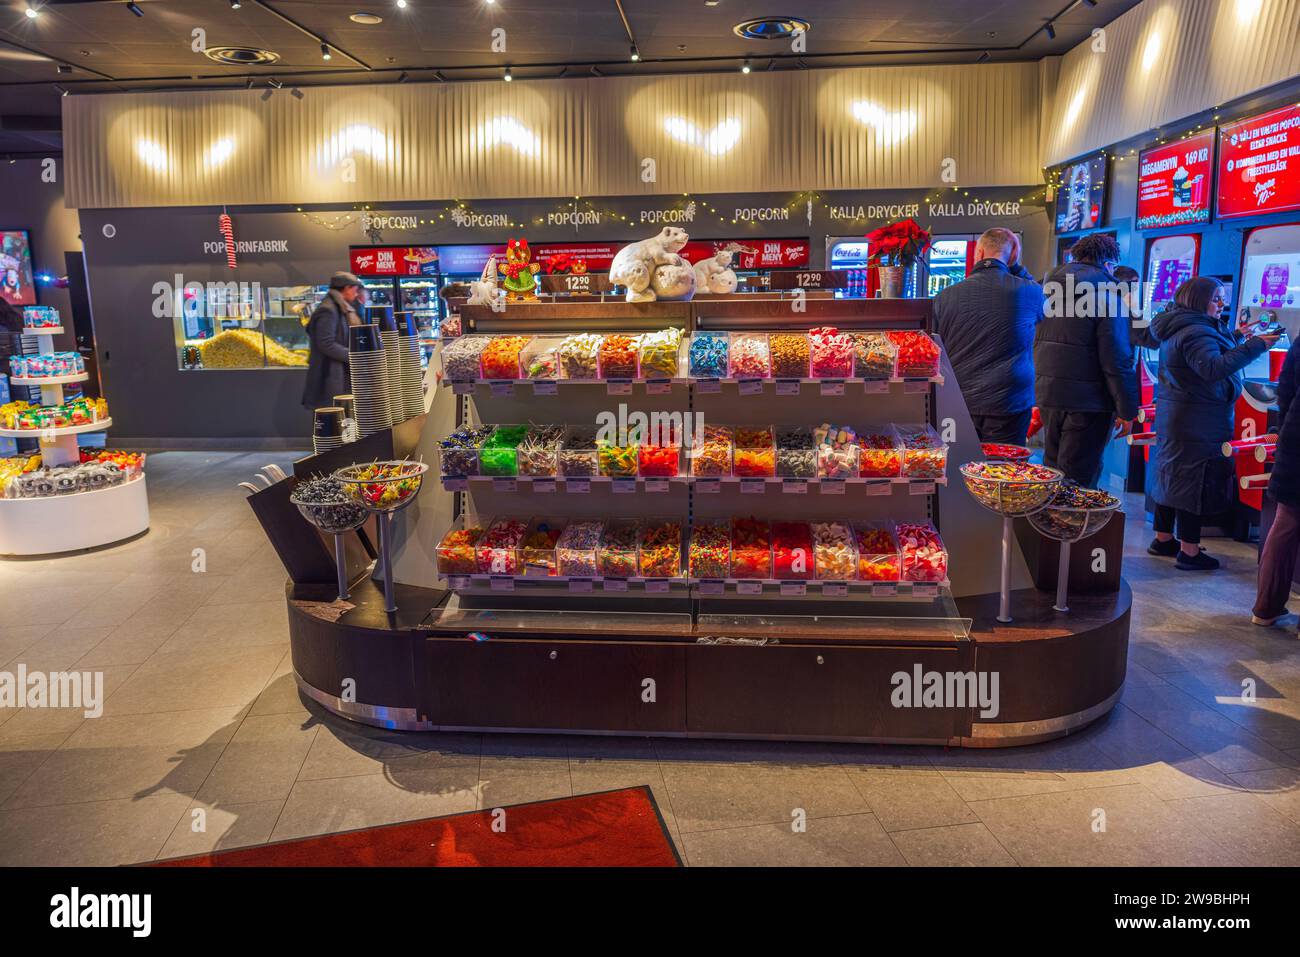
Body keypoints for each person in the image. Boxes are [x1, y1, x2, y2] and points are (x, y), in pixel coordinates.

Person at [1147, 277, 1280, 570]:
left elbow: (1204, 355)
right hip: (1199, 419)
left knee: (1172, 477)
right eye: (1216, 299)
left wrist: (1236, 337)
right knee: (1194, 483)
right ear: (1198, 300)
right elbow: (1212, 368)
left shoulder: (1180, 325)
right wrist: (1257, 345)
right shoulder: (1196, 331)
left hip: (1181, 415)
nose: (1222, 304)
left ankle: (1163, 538)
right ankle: (1189, 553)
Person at [1034, 233, 1139, 487]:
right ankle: (1068, 527)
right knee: (1078, 481)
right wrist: (1127, 410)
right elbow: (1117, 361)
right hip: (1089, 403)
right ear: (1108, 265)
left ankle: (1046, 525)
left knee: (1052, 472)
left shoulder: (1046, 291)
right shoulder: (1108, 297)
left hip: (1049, 395)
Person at [933, 227, 1043, 444]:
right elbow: (1039, 310)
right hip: (1010, 401)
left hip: (959, 399)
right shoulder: (1030, 291)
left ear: (979, 253)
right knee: (1005, 471)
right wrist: (1016, 267)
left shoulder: (944, 296)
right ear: (1012, 257)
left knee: (958, 468)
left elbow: (935, 346)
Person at [1253, 337, 1300, 622]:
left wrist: (1286, 431)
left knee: (1284, 525)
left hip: (1296, 437)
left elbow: (1285, 389)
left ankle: (1265, 608)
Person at [301, 271, 363, 411]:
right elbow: (326, 343)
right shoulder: (328, 310)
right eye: (355, 289)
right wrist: (355, 355)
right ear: (346, 288)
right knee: (330, 421)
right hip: (329, 377)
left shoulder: (337, 307)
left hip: (337, 375)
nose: (357, 293)